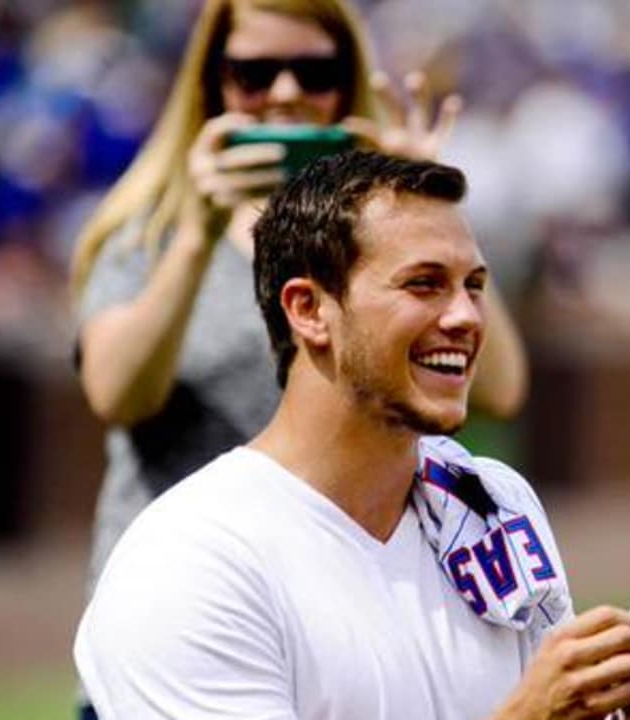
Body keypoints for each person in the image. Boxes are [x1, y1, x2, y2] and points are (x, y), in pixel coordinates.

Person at [75, 149, 630, 719]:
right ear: (309, 309)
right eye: (424, 283)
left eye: (474, 285)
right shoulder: (192, 563)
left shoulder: (491, 498)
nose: (466, 317)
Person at [69, 0, 528, 655]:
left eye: (314, 71)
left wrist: (428, 216)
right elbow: (116, 394)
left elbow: (500, 390)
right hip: (177, 608)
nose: (285, 93)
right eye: (255, 72)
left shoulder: (380, 243)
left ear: (347, 82)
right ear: (213, 82)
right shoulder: (146, 230)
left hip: (330, 611)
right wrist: (197, 236)